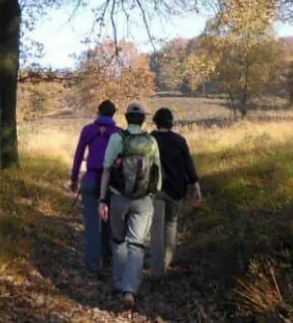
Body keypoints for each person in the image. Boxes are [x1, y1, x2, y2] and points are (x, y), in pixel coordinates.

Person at [99, 102, 161, 310]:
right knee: (136, 245)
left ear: (126, 118)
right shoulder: (151, 141)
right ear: (143, 119)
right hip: (143, 200)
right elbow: (157, 173)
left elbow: (107, 169)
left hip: (118, 197)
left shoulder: (117, 138)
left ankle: (118, 284)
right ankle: (130, 290)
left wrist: (102, 200)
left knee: (118, 241)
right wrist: (151, 194)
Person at [149, 108, 201, 280]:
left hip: (155, 191)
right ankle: (166, 263)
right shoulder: (180, 140)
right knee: (171, 225)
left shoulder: (150, 139)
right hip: (176, 191)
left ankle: (156, 272)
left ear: (156, 122)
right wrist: (196, 186)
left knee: (156, 230)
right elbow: (188, 165)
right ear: (171, 123)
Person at [71, 100, 120, 276]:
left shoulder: (88, 130)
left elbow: (78, 155)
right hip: (111, 184)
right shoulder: (119, 133)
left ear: (98, 112)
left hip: (91, 179)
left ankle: (92, 263)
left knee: (92, 223)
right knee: (109, 223)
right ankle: (107, 260)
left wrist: (74, 179)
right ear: (114, 114)